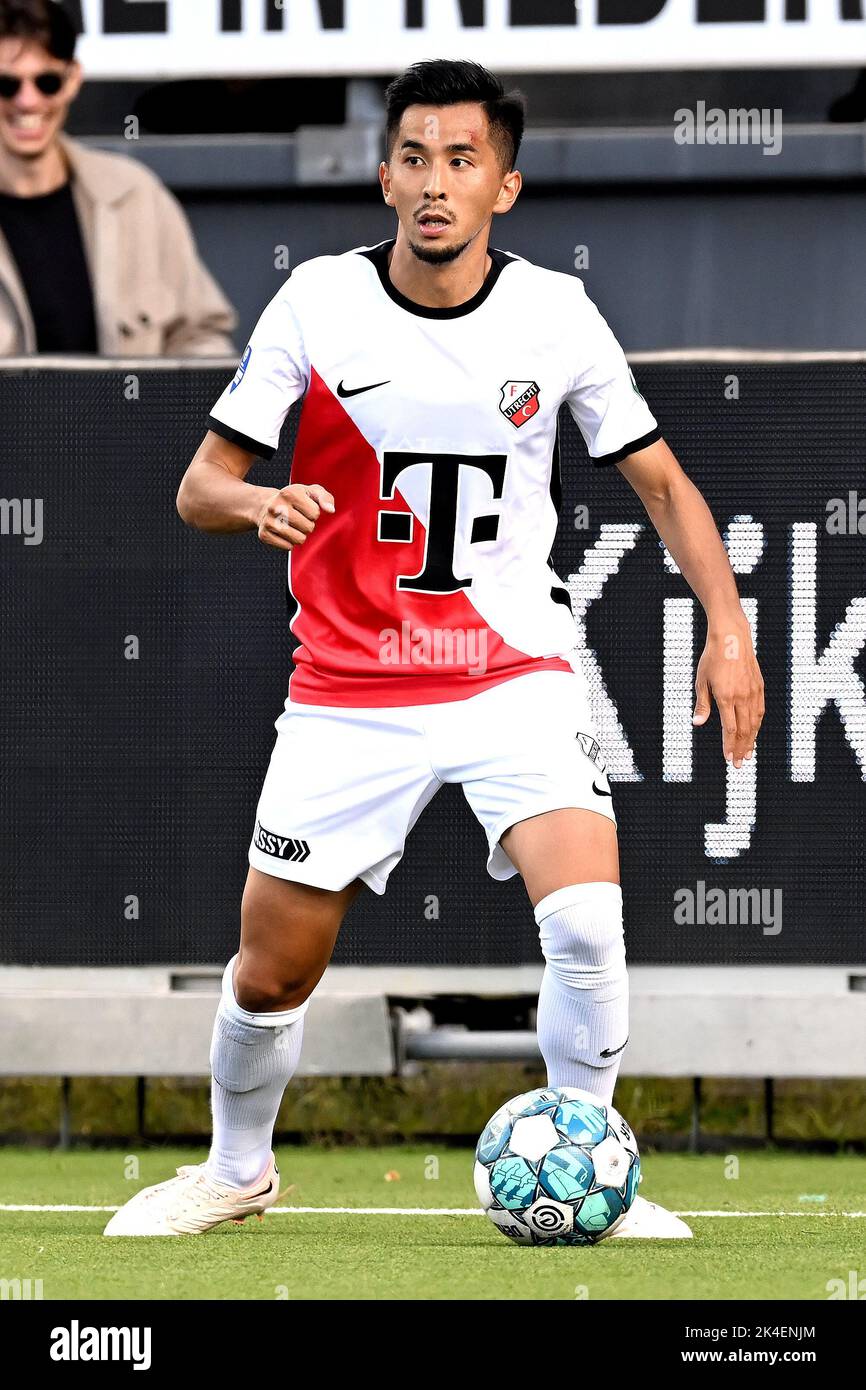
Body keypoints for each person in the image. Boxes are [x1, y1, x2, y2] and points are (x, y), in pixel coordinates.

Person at [105, 59, 764, 1239]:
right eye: (413, 155)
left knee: (587, 928)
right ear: (382, 173)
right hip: (348, 690)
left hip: (513, 674)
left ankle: (590, 1165)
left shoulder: (555, 314)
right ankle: (236, 1170)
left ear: (502, 186)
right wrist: (262, 506)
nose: (433, 182)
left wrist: (730, 631)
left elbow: (660, 483)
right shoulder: (315, 300)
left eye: (461, 160)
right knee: (271, 974)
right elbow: (200, 484)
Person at [0, 0, 236, 356]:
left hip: (131, 415)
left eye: (47, 82)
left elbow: (201, 338)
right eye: (7, 85)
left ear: (73, 79)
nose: (28, 101)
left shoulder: (137, 197)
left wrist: (182, 406)